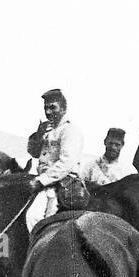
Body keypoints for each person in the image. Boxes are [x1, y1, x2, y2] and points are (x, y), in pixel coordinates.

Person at [25, 88, 85, 230]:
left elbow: (67, 163)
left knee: (36, 219)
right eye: (46, 108)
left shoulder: (69, 130)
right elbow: (34, 153)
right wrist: (38, 136)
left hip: (62, 183)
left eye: (53, 107)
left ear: (63, 109)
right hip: (47, 182)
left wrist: (42, 181)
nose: (48, 112)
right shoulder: (49, 130)